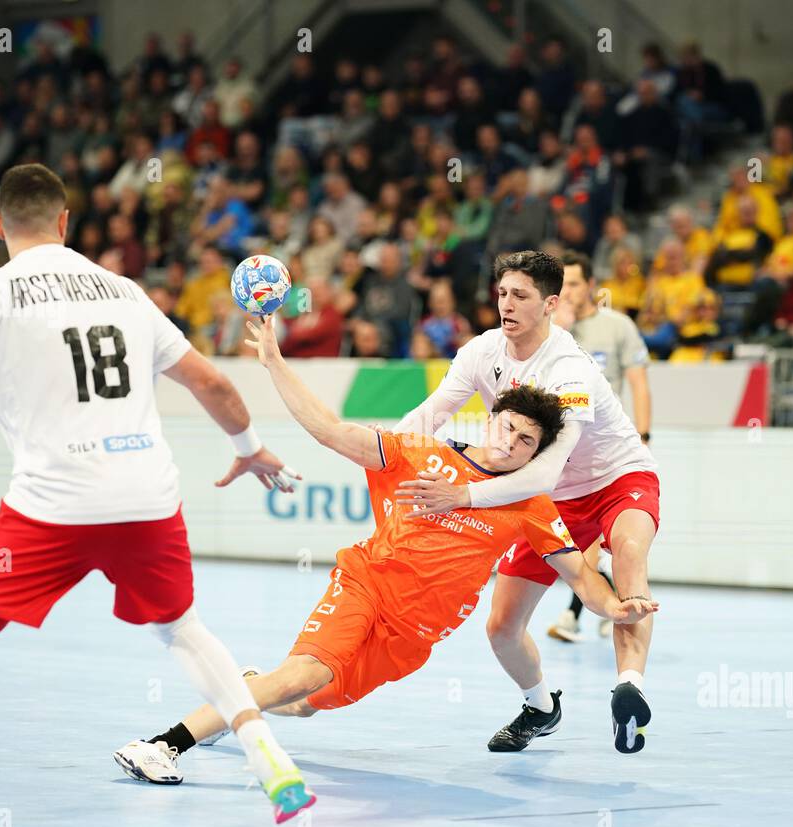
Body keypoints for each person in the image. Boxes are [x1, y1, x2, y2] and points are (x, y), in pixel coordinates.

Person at [0, 164, 315, 827]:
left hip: (53, 504)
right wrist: (250, 449)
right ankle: (274, 766)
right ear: (66, 221)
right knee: (184, 632)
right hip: (146, 497)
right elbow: (213, 383)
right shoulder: (126, 291)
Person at [114, 320, 657, 782]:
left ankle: (246, 693)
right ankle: (162, 744)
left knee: (302, 703)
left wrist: (615, 607)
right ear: (492, 417)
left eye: (526, 443)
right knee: (304, 674)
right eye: (508, 428)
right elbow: (329, 430)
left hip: (410, 638)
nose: (510, 444)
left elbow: (581, 577)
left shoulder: (530, 504)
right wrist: (275, 362)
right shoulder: (419, 454)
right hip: (366, 588)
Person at [392, 251, 662, 755]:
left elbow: (543, 470)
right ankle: (540, 707)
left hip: (617, 477)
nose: (506, 304)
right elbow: (429, 418)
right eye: (502, 293)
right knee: (502, 627)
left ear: (550, 304)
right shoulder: (481, 351)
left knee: (629, 554)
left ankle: (630, 688)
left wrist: (463, 496)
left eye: (520, 295)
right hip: (552, 501)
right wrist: (383, 453)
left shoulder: (569, 369)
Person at [547, 251, 651, 643]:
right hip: (565, 454)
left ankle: (581, 615)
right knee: (580, 545)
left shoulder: (617, 326)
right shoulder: (552, 329)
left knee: (601, 543)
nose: (568, 293)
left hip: (609, 454)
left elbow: (639, 383)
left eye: (574, 284)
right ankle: (605, 607)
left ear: (591, 285)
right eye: (561, 286)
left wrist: (644, 435)